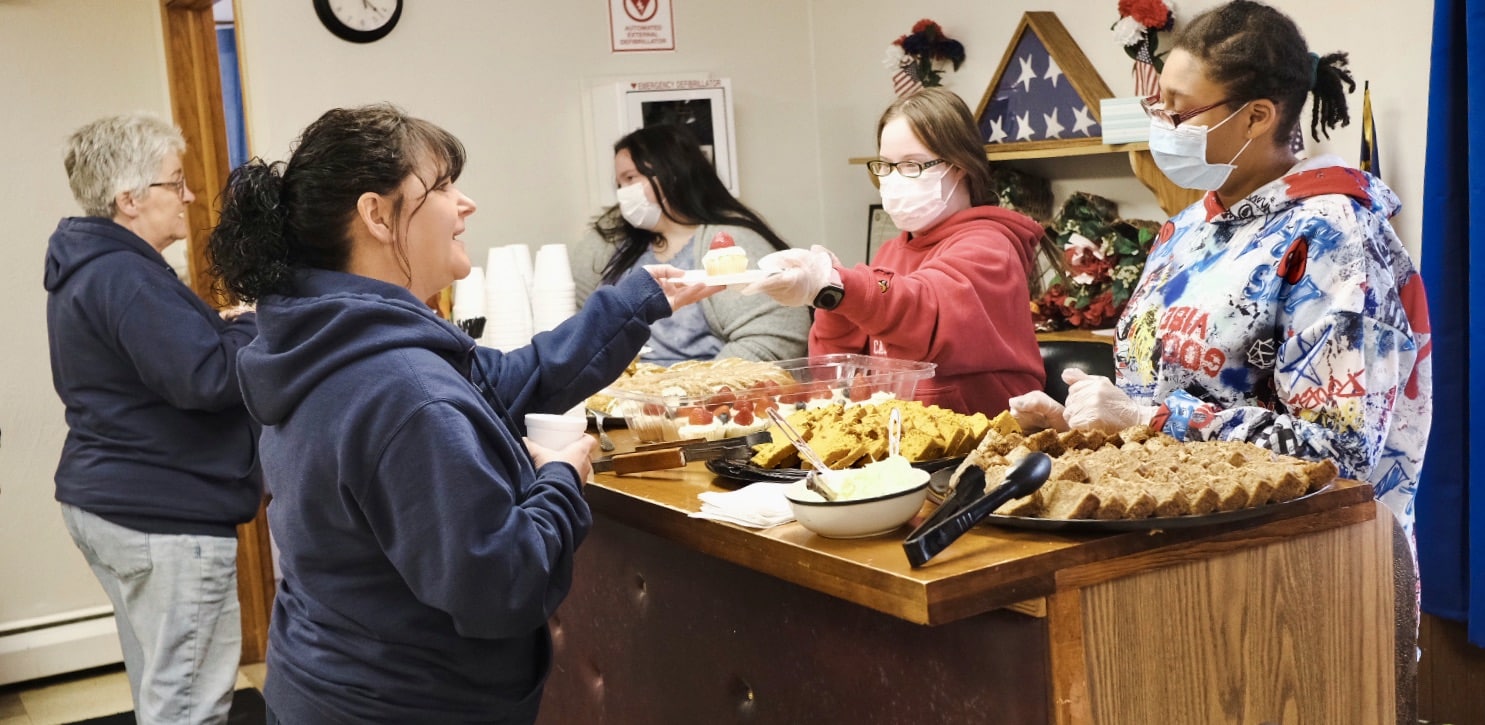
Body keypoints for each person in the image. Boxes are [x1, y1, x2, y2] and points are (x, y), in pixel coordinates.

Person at [208, 104, 717, 723]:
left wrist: (640, 300)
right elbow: (502, 583)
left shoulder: (328, 336)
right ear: (375, 214)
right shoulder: (399, 388)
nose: (465, 204)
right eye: (444, 186)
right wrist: (561, 477)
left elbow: (506, 380)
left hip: (327, 681)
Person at [1010, 0, 1432, 538]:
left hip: (1297, 562)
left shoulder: (1333, 237)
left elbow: (1339, 450)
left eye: (1180, 113)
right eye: (1158, 106)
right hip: (1178, 543)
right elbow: (1153, 394)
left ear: (1257, 116)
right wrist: (1090, 424)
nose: (1162, 125)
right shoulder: (1185, 230)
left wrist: (1150, 420)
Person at [44, 113, 260, 723]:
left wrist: (216, 329)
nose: (190, 195)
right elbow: (208, 379)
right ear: (130, 199)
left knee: (161, 688)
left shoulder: (94, 264)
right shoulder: (124, 275)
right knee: (188, 704)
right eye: (176, 182)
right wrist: (250, 321)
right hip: (162, 516)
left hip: (112, 501)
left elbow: (163, 361)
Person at [743, 88, 1046, 416]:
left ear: (959, 166)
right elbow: (835, 370)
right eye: (886, 166)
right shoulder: (892, 251)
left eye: (912, 165)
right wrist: (829, 301)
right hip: (900, 443)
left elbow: (923, 309)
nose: (894, 179)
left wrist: (838, 283)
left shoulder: (990, 246)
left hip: (978, 448)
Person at [570, 123, 810, 364]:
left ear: (671, 173)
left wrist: (702, 386)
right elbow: (575, 316)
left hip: (698, 395)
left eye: (631, 178)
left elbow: (774, 334)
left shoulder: (727, 244)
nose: (624, 193)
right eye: (619, 185)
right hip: (617, 391)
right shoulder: (615, 242)